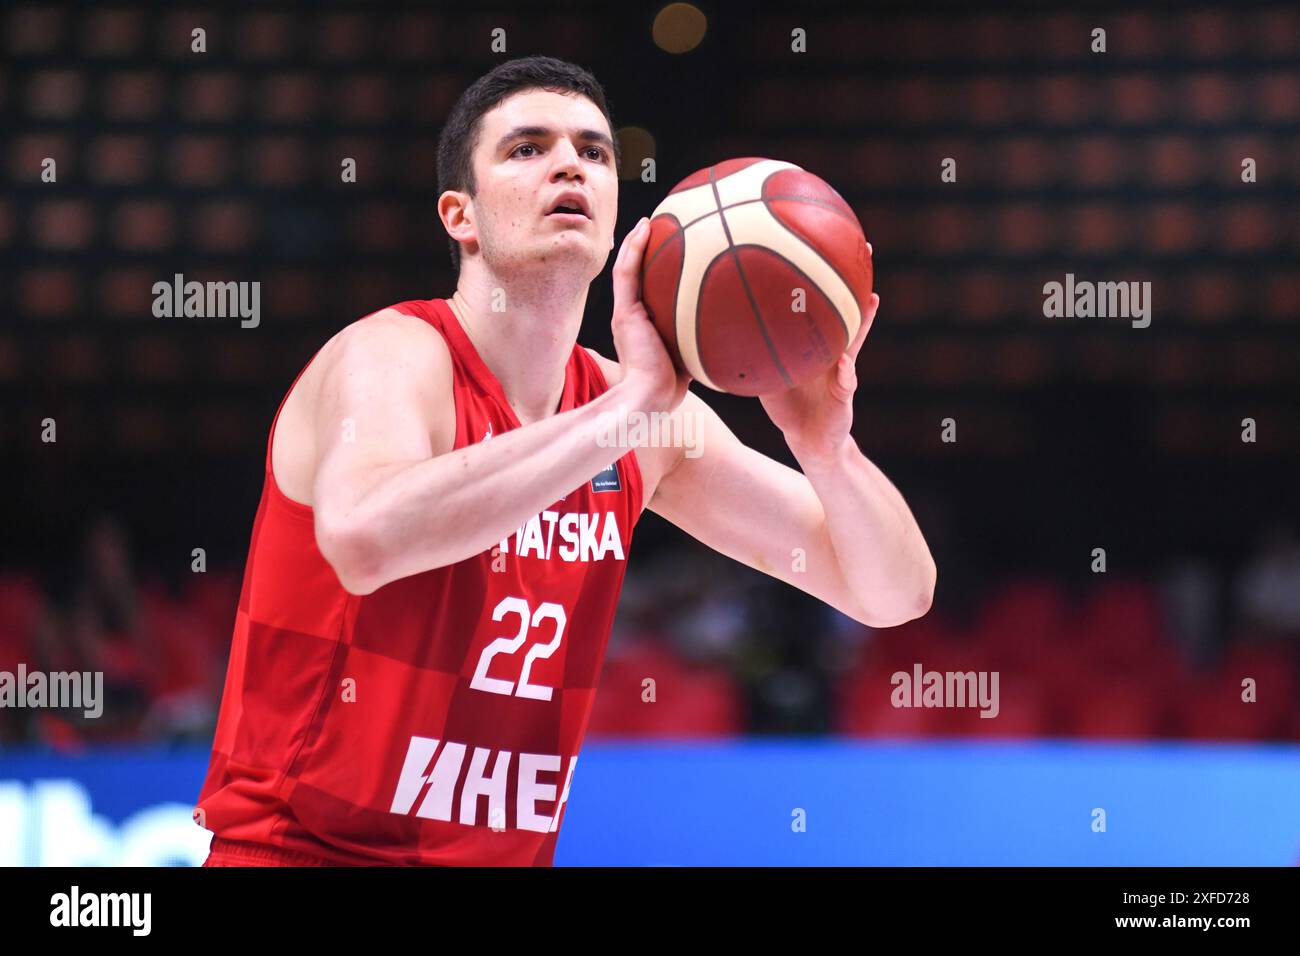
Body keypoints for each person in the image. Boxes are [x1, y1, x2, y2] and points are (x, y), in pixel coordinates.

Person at [196, 55, 935, 866]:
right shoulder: (393, 357)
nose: (568, 165)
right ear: (460, 216)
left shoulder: (643, 416)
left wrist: (826, 450)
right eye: (526, 149)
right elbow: (366, 539)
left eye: (594, 151)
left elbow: (891, 593)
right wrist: (627, 414)